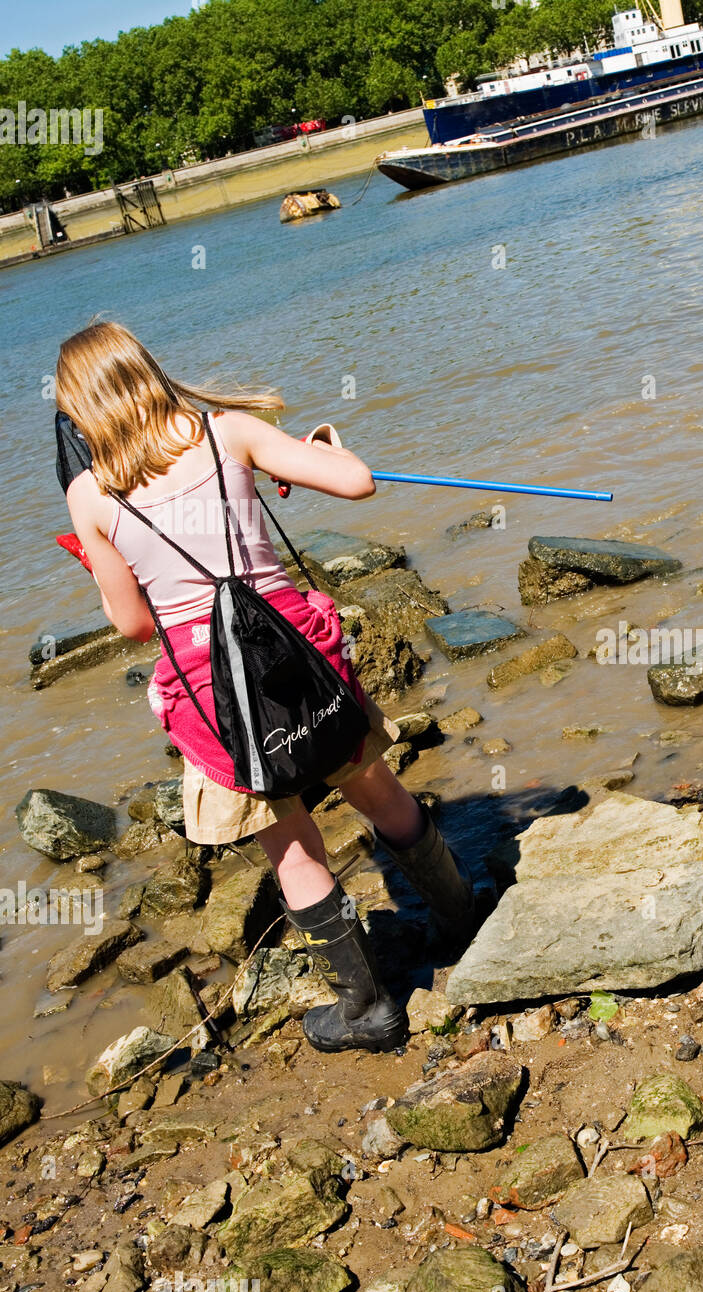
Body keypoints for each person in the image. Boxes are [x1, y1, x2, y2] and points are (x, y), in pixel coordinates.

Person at [57, 321, 476, 1052]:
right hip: (298, 660)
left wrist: (102, 563)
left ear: (81, 413)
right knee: (377, 787)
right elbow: (357, 482)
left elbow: (128, 624)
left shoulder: (91, 494)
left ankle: (369, 1007)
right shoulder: (227, 433)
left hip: (214, 692)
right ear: (148, 372)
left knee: (290, 846)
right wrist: (321, 452)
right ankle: (462, 918)